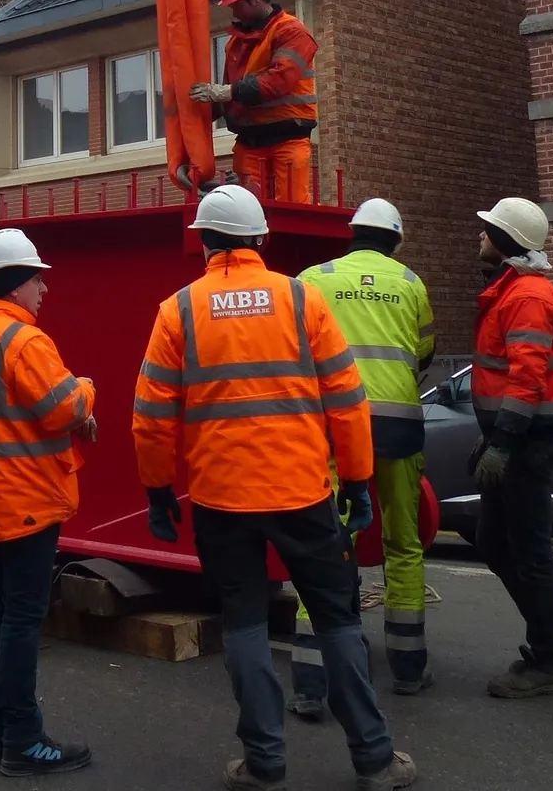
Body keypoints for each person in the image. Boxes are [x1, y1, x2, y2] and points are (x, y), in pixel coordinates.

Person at [133, 185, 415, 791]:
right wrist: (359, 480)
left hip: (220, 498)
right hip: (303, 493)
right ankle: (374, 758)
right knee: (338, 620)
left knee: (244, 624)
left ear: (204, 242)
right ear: (262, 238)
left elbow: (151, 418)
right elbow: (347, 402)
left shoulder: (177, 310)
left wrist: (158, 492)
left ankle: (264, 763)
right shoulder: (300, 300)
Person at [0, 227, 96, 777]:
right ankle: (23, 738)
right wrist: (88, 389)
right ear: (14, 285)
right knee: (22, 617)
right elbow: (63, 407)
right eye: (37, 278)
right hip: (28, 498)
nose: (44, 289)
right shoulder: (24, 341)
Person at [295, 198, 436, 702]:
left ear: (352, 234)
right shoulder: (410, 282)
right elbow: (424, 353)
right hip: (399, 428)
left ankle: (313, 682)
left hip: (334, 429)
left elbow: (296, 350)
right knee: (403, 544)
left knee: (329, 547)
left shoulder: (314, 279)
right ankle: (408, 666)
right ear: (394, 241)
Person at [468, 196, 553, 698]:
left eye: (487, 231)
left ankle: (549, 662)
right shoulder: (512, 290)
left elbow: (528, 377)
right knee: (495, 542)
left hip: (526, 443)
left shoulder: (527, 296)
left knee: (530, 551)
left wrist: (504, 442)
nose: (480, 237)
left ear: (505, 241)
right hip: (515, 439)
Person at [188, 0, 317, 203]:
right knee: (246, 213)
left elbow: (278, 81)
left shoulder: (291, 31)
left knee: (291, 211)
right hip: (250, 144)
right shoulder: (235, 44)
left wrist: (225, 92)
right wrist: (190, 116)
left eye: (237, 4)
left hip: (287, 141)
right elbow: (230, 99)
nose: (234, 12)